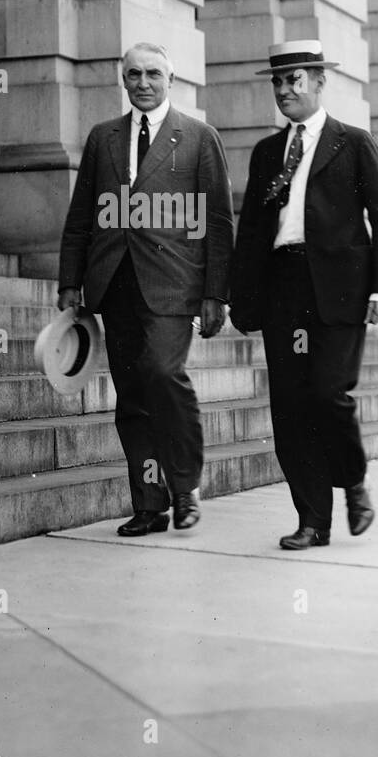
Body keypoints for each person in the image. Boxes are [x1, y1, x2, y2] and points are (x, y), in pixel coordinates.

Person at [230, 40, 378, 549]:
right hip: (284, 287)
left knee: (329, 393)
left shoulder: (353, 143)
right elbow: (252, 232)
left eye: (295, 80)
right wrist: (241, 297)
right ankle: (312, 521)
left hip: (340, 290)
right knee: (289, 405)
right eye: (278, 82)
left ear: (319, 83)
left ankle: (352, 480)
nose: (285, 90)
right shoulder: (266, 153)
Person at [57, 43, 234, 535]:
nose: (143, 83)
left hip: (174, 286)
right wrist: (70, 281)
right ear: (123, 79)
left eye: (153, 74)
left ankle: (185, 487)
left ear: (169, 80)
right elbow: (81, 216)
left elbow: (217, 222)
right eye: (133, 74)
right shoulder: (102, 138)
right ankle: (150, 505)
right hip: (115, 283)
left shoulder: (199, 137)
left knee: (163, 372)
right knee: (132, 396)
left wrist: (216, 293)